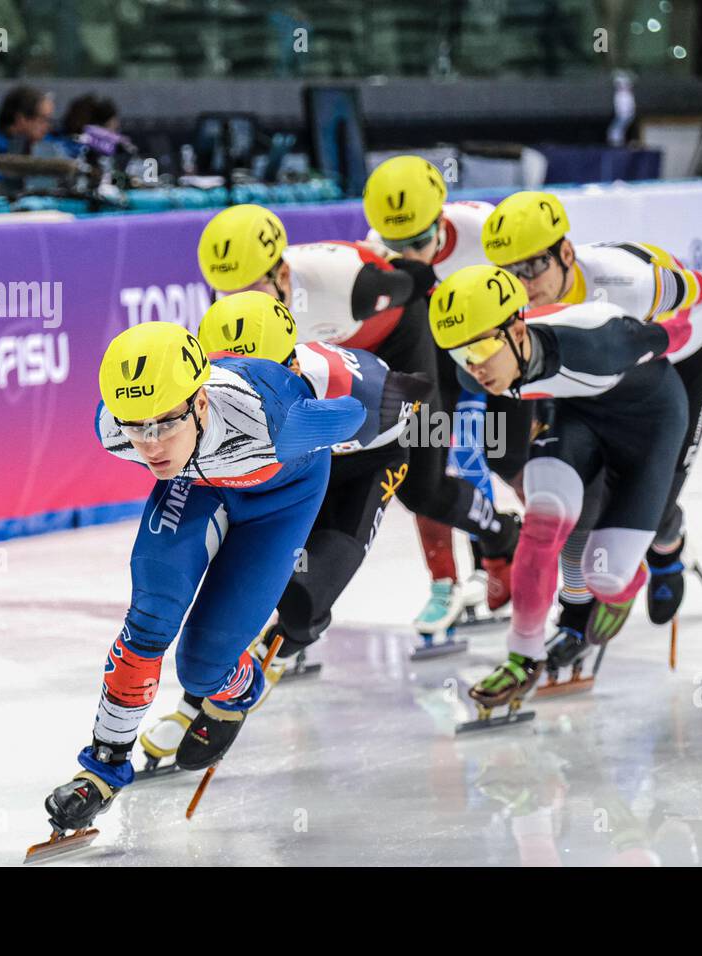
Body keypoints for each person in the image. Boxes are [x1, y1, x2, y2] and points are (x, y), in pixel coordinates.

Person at [41, 320, 365, 834]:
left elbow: (354, 413)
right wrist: (166, 434)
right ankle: (103, 766)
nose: (149, 446)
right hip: (197, 484)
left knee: (201, 667)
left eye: (163, 425)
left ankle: (236, 690)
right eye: (136, 426)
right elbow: (149, 432)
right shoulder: (112, 429)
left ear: (201, 403)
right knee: (150, 619)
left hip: (279, 500)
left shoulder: (274, 422)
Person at [196, 205, 521, 634]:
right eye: (227, 294)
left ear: (284, 277)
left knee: (423, 488)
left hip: (400, 348)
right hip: (332, 365)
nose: (238, 305)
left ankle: (499, 535)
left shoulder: (349, 286)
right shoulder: (227, 317)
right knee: (311, 484)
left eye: (250, 291)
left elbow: (419, 281)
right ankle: (293, 605)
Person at [138, 291, 432, 765]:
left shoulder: (364, 389)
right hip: (288, 469)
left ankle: (276, 648)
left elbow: (423, 397)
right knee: (238, 581)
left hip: (361, 466)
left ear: (292, 368)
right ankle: (205, 690)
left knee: (303, 599)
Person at [428, 265, 693, 716]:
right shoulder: (480, 370)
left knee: (603, 574)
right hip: (577, 419)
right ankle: (521, 656)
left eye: (481, 347)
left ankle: (662, 544)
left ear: (516, 327)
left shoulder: (599, 338)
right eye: (459, 355)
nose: (472, 366)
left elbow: (683, 327)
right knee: (543, 520)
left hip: (650, 420)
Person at [481, 191, 702, 656]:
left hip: (681, 354)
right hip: (603, 362)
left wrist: (668, 325)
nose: (522, 285)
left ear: (566, 254)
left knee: (650, 497)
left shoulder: (629, 284)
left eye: (532, 268)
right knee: (571, 489)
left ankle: (667, 544)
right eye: (509, 273)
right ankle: (574, 614)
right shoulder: (513, 302)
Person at [361, 155, 530, 637]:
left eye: (419, 242)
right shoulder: (376, 252)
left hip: (497, 351)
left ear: (442, 218)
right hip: (434, 359)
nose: (410, 256)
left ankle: (541, 551)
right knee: (422, 468)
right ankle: (444, 582)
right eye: (398, 246)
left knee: (511, 458)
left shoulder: (483, 230)